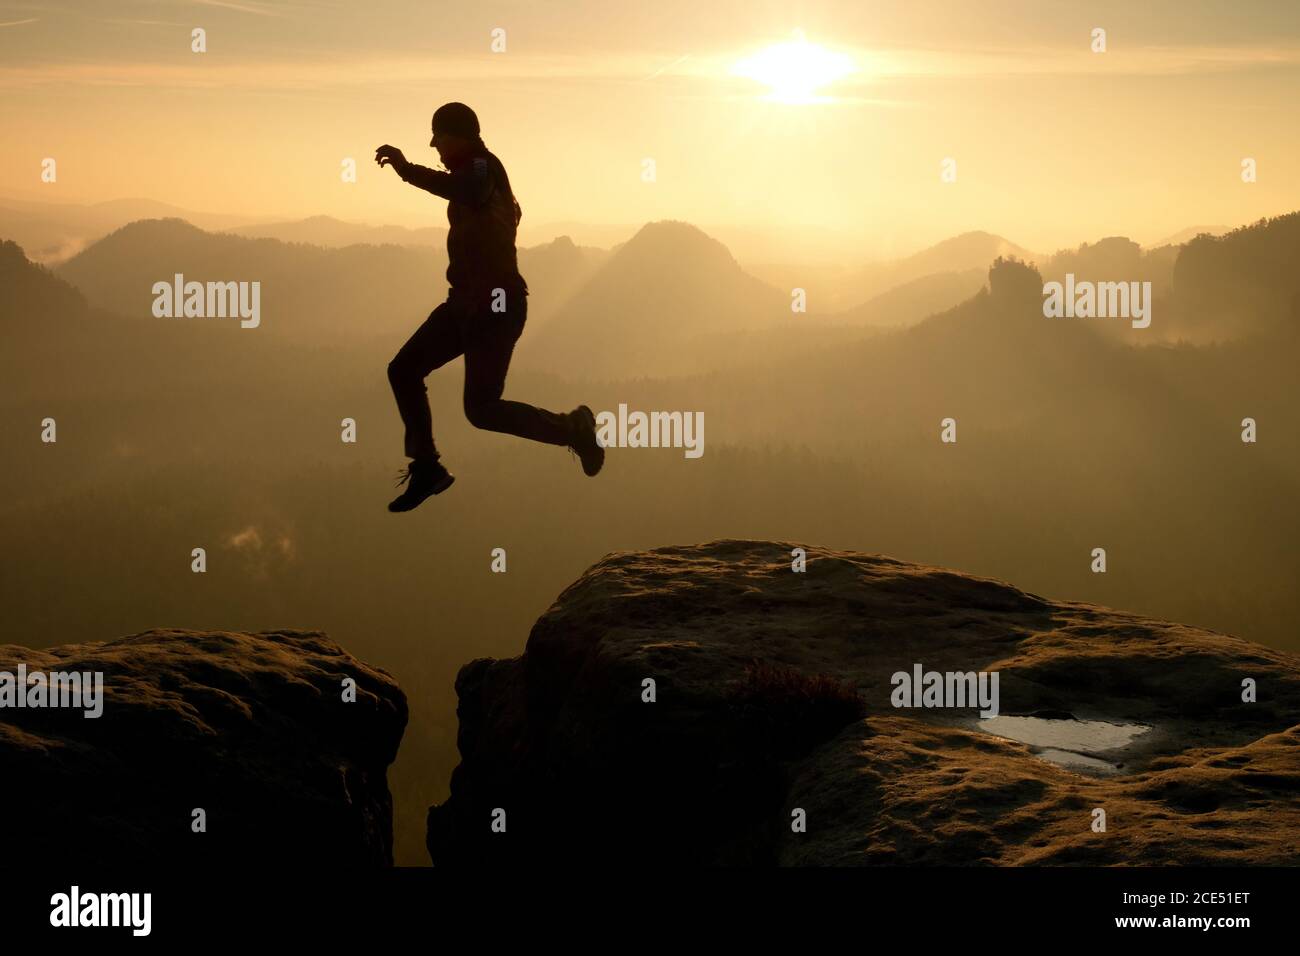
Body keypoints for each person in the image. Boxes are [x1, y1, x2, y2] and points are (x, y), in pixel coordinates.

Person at [375, 102, 603, 512]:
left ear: (459, 135)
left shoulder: (481, 167)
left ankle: (574, 427)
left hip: (495, 309)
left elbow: (470, 190)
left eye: (438, 135)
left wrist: (407, 169)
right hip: (464, 304)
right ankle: (426, 467)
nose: (433, 144)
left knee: (481, 410)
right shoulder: (476, 169)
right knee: (403, 369)